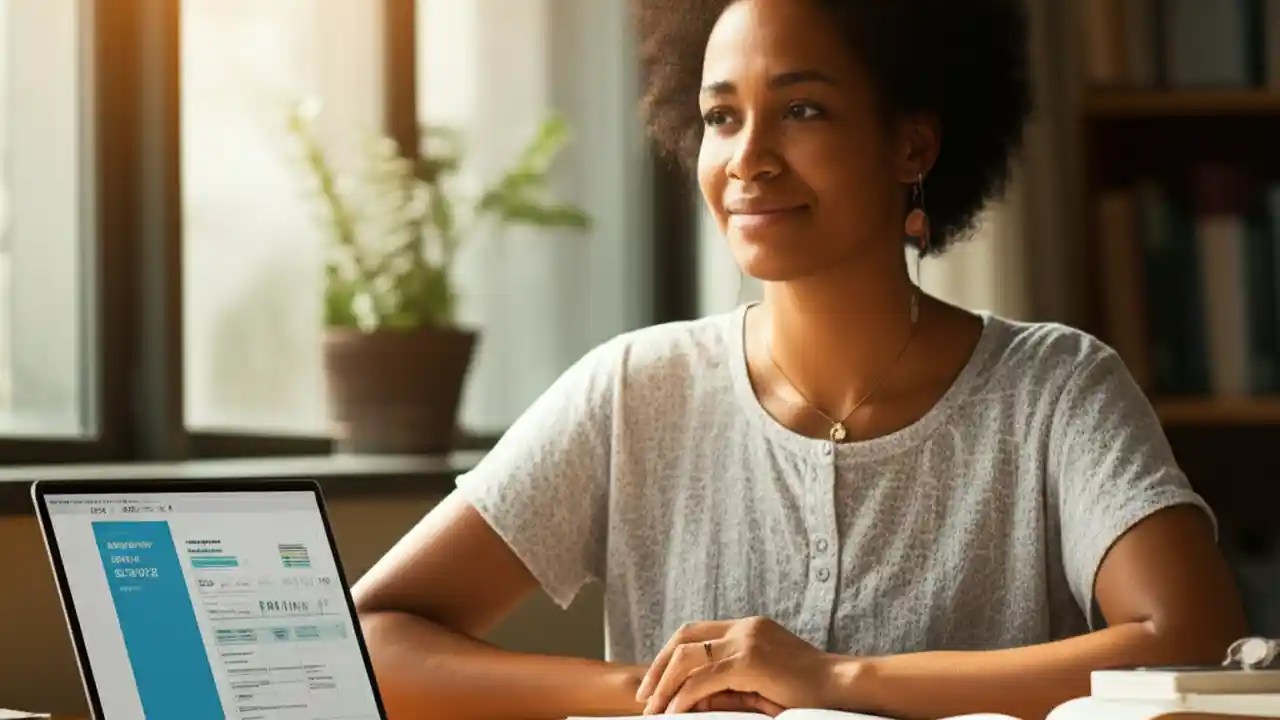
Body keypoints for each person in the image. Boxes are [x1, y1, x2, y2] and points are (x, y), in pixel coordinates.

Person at [352, 0, 1247, 717]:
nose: (747, 159)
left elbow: (1191, 638)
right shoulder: (633, 391)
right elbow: (372, 633)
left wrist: (833, 680)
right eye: (720, 116)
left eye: (802, 109)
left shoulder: (1054, 388)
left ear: (913, 144)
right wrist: (661, 693)